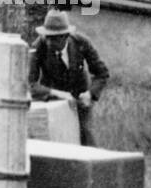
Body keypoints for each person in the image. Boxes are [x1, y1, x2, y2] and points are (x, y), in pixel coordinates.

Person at [28, 9, 110, 147]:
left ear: (65, 36)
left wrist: (90, 94)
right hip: (52, 101)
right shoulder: (39, 46)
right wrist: (57, 94)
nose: (49, 42)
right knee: (52, 140)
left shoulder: (82, 43)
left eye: (54, 38)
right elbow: (30, 84)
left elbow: (102, 73)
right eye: (47, 36)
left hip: (80, 99)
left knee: (85, 135)